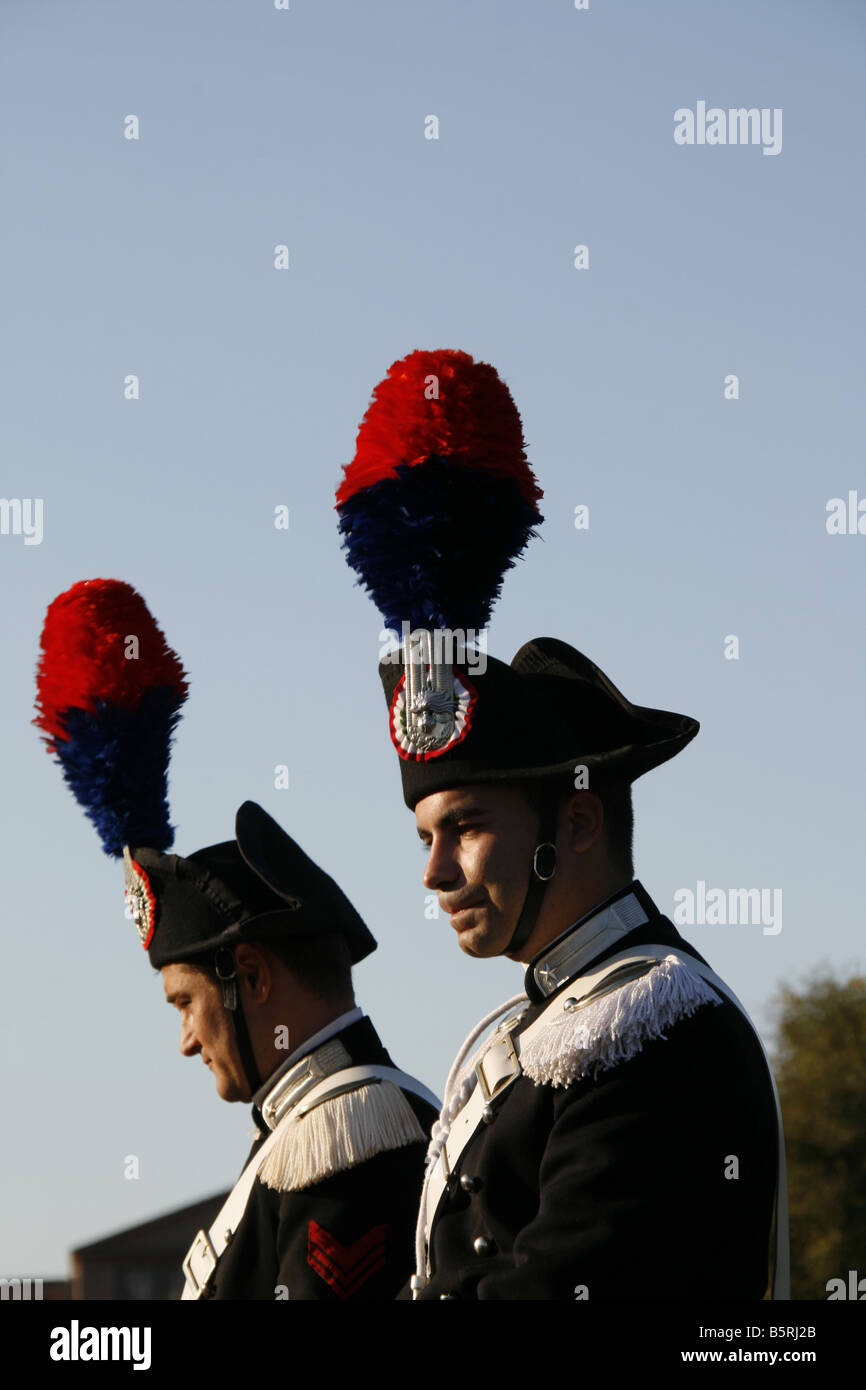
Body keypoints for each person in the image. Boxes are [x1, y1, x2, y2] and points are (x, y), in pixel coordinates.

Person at [334, 347, 788, 1301]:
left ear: (578, 820)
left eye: (462, 827)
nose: (436, 875)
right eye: (425, 838)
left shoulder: (656, 1028)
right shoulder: (538, 1031)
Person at [35, 578, 439, 1301]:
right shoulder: (308, 1132)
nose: (186, 1040)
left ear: (251, 977)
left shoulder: (346, 1135)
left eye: (184, 1003)